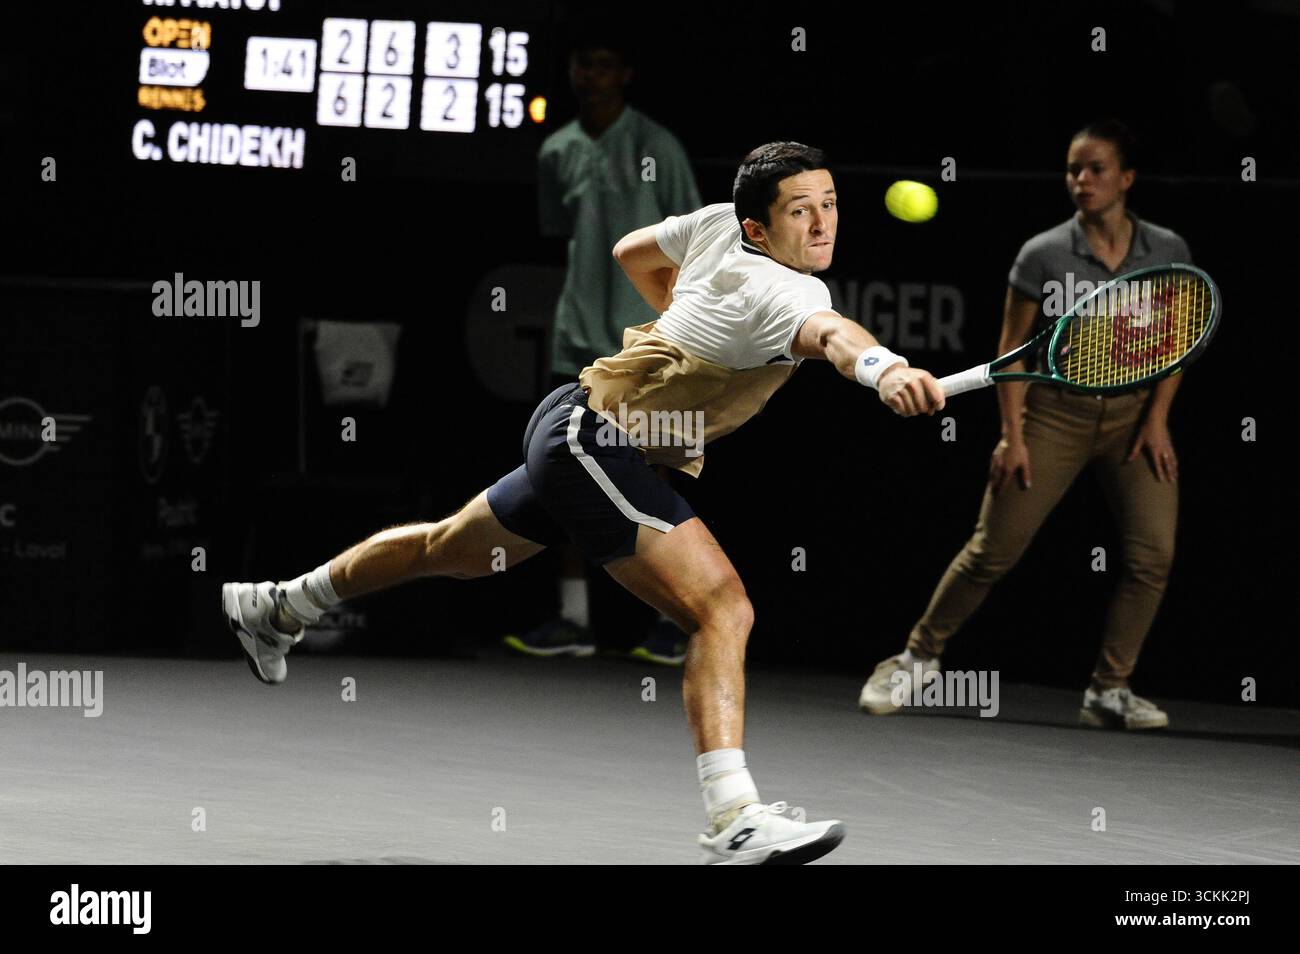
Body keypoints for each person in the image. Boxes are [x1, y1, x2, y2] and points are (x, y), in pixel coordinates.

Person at [223, 142, 946, 864]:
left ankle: (279, 606)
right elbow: (831, 335)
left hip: (575, 423)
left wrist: (685, 317)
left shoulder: (717, 223)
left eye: (830, 204)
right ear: (758, 229)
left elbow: (634, 252)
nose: (822, 224)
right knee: (724, 608)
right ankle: (735, 816)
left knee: (449, 550)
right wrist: (885, 369)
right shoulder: (790, 293)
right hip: (594, 439)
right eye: (800, 211)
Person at [858, 119, 1192, 730]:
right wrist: (1012, 436)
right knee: (992, 552)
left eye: (1095, 169)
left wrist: (1158, 420)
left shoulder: (1167, 251)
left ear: (1127, 178)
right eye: (1073, 169)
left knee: (1154, 556)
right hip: (1054, 417)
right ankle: (915, 659)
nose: (1081, 181)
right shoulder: (1043, 253)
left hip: (1133, 421)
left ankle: (1109, 691)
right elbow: (1012, 354)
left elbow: (1176, 342)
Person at [510, 21, 702, 665]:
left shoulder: (660, 147)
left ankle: (674, 622)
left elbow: (699, 247)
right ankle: (573, 620)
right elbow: (556, 228)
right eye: (581, 64)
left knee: (658, 474)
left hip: (659, 343)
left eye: (603, 63)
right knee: (564, 474)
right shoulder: (556, 150)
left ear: (625, 75)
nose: (590, 75)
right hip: (578, 340)